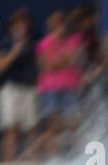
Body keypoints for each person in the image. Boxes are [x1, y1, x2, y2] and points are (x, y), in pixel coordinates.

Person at [34, 10, 83, 157]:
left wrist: (61, 60)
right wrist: (58, 51)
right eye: (54, 25)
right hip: (50, 88)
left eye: (60, 23)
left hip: (70, 86)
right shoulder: (44, 43)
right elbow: (46, 65)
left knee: (73, 123)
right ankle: (51, 156)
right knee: (53, 127)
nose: (57, 27)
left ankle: (74, 154)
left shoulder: (75, 39)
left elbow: (71, 59)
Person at [0, 9, 37, 161]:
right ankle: (9, 163)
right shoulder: (5, 44)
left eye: (24, 24)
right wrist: (14, 51)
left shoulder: (33, 43)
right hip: (10, 89)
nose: (21, 28)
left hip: (30, 89)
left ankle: (32, 163)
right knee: (11, 128)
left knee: (31, 128)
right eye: (17, 25)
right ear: (12, 28)